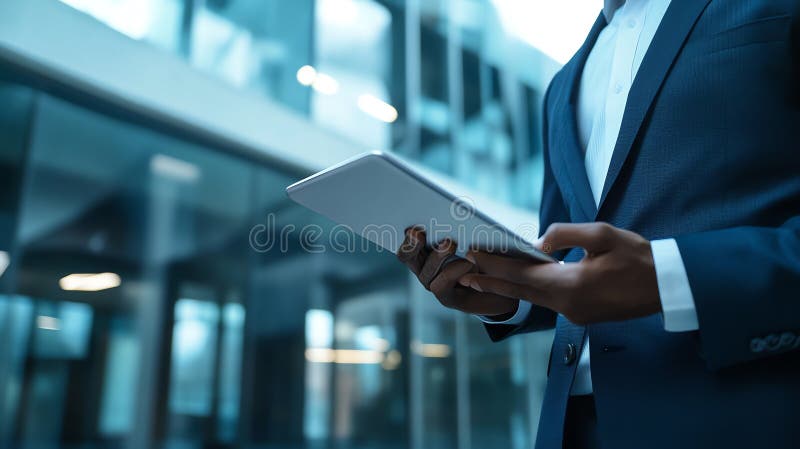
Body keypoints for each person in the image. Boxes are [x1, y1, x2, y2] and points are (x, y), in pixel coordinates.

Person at [397, 1, 800, 448]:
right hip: (570, 426)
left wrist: (668, 278)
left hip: (741, 414)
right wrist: (505, 294)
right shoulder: (562, 86)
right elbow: (564, 258)